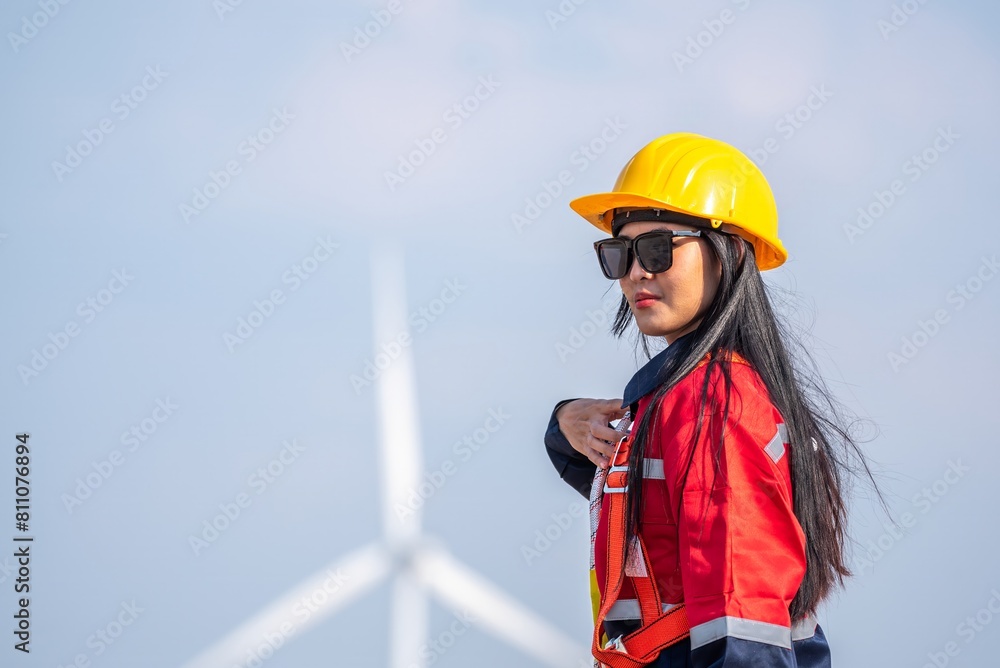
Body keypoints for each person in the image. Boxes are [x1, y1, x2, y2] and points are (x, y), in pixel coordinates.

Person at [543, 132, 881, 667]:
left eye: (657, 248)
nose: (635, 272)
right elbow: (613, 493)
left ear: (730, 254)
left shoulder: (714, 405)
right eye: (618, 253)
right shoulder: (676, 400)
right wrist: (564, 420)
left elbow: (741, 615)